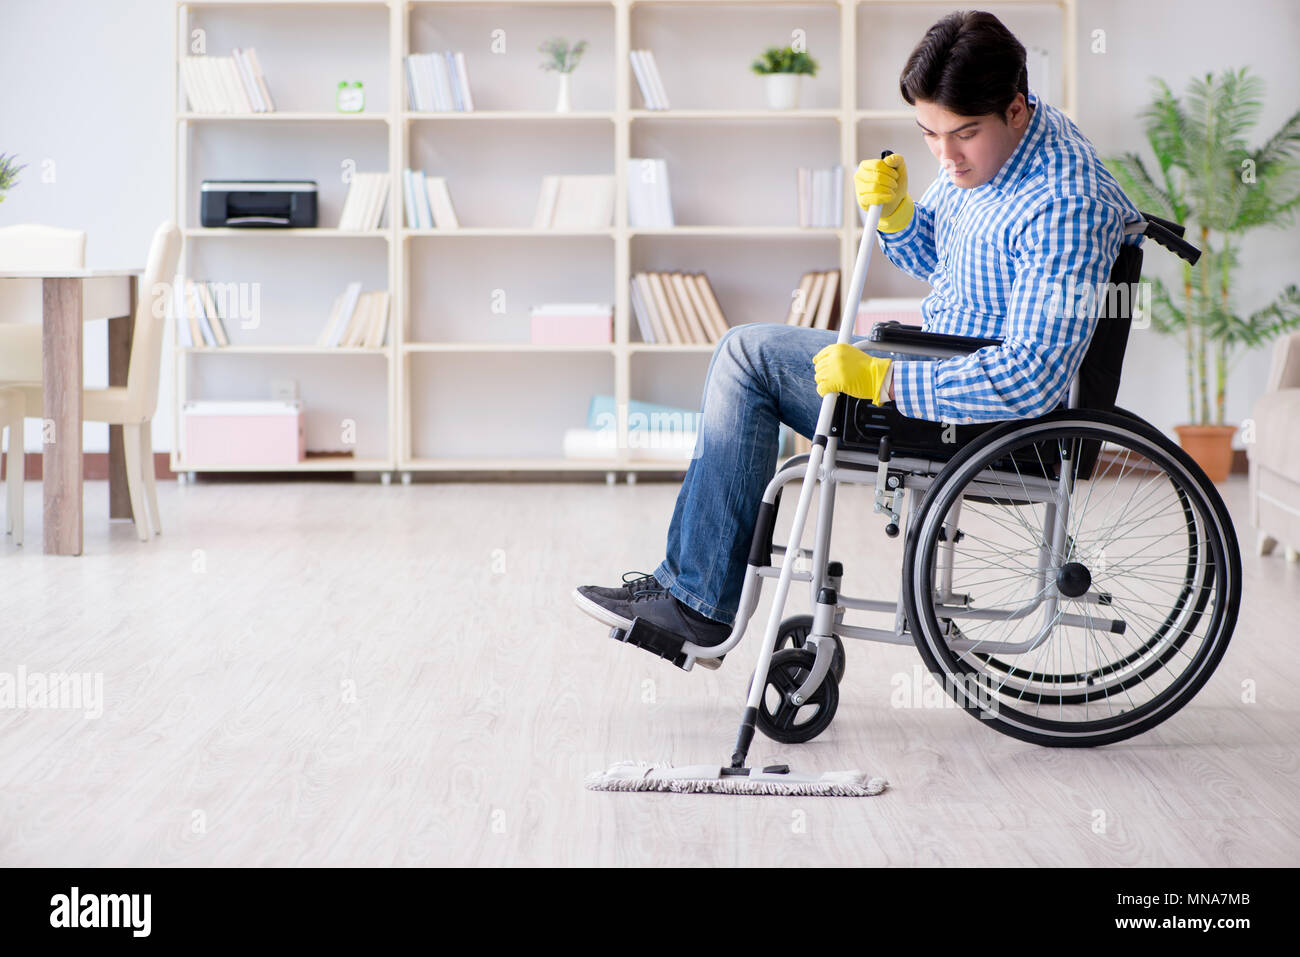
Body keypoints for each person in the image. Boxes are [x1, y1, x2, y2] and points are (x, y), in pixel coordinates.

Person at [572, 10, 1141, 662]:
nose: (946, 155)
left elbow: (1030, 376)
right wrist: (901, 214)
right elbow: (943, 262)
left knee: (748, 356)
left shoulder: (1066, 201)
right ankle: (694, 596)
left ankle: (698, 604)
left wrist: (885, 379)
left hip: (979, 420)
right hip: (936, 367)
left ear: (1016, 109)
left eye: (962, 135)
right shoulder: (996, 152)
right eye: (929, 133)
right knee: (747, 351)